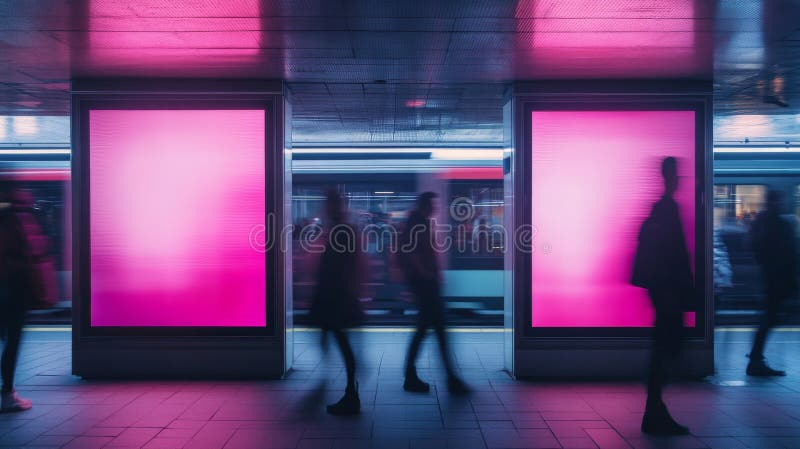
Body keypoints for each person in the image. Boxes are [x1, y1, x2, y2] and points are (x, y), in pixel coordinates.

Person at [632, 157, 692, 436]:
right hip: (668, 292)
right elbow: (676, 257)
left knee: (663, 348)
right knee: (666, 349)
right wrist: (684, 294)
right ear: (670, 177)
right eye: (677, 174)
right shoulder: (668, 209)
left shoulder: (661, 208)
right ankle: (654, 411)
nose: (680, 179)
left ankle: (655, 409)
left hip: (662, 291)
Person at [400, 192, 468, 395]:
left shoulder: (420, 221)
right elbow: (409, 251)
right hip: (425, 285)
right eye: (435, 204)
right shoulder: (417, 222)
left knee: (428, 331)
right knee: (436, 331)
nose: (437, 208)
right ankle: (449, 379)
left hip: (427, 284)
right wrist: (426, 273)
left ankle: (419, 376)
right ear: (426, 205)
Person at [309, 190, 363, 415]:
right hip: (336, 297)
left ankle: (351, 394)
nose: (325, 208)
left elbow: (339, 266)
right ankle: (350, 392)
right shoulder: (340, 228)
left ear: (334, 205)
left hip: (336, 298)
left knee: (342, 345)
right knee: (339, 343)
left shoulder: (341, 230)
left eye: (328, 204)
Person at [747, 190, 796, 376]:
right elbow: (787, 254)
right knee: (769, 319)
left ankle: (756, 358)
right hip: (777, 280)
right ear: (774, 202)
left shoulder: (762, 222)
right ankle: (755, 359)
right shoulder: (777, 224)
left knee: (768, 319)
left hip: (770, 278)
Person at [0, 186, 37, 413]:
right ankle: (7, 394)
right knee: (11, 342)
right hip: (10, 289)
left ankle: (7, 392)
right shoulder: (11, 219)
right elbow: (23, 254)